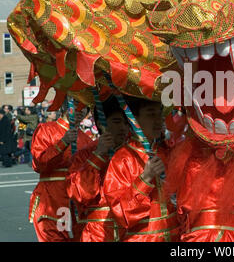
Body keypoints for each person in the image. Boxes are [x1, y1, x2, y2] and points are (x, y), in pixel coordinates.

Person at [103, 97, 180, 242]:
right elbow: (121, 213)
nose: (158, 120)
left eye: (159, 113)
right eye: (151, 114)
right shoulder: (122, 159)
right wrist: (146, 178)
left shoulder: (169, 153)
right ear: (134, 119)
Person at [67, 96, 130, 242]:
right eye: (116, 121)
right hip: (97, 233)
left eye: (126, 123)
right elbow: (80, 194)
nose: (122, 127)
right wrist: (98, 156)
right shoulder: (83, 155)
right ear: (101, 124)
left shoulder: (134, 153)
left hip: (130, 231)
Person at [29, 101, 92, 242]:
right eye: (77, 105)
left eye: (84, 107)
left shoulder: (86, 139)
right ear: (65, 106)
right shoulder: (46, 129)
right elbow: (39, 163)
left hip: (78, 202)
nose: (81, 110)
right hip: (51, 199)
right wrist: (63, 142)